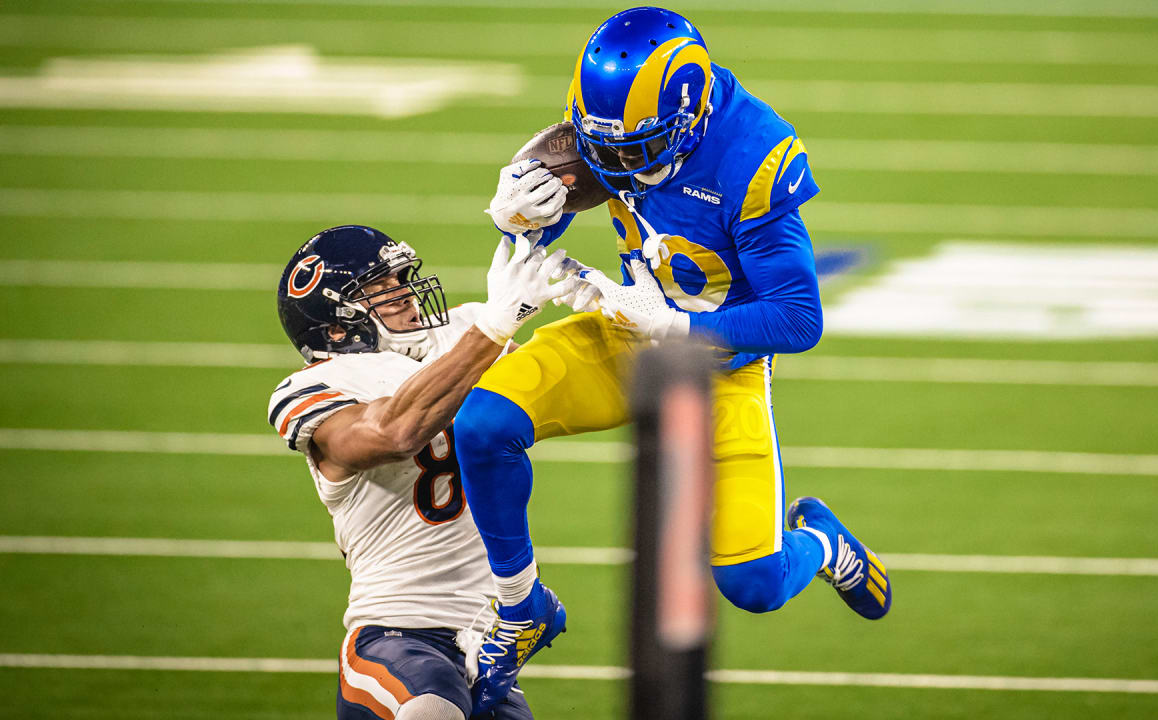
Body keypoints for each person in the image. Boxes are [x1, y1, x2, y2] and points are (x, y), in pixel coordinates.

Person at [454, 6, 892, 712]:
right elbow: (572, 192)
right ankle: (520, 603)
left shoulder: (753, 151)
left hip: (720, 363)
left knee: (751, 584)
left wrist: (680, 327)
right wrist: (521, 218)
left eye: (638, 150)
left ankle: (823, 544)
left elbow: (798, 317)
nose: (620, 167)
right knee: (479, 425)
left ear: (688, 115)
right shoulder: (614, 130)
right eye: (607, 149)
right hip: (627, 331)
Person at [269, 225, 577, 720]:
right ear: (336, 327)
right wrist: (495, 327)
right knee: (431, 710)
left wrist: (621, 305)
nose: (409, 297)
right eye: (385, 290)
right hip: (394, 633)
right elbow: (394, 433)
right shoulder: (316, 385)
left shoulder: (460, 337)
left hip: (485, 643)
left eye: (403, 281)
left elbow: (567, 386)